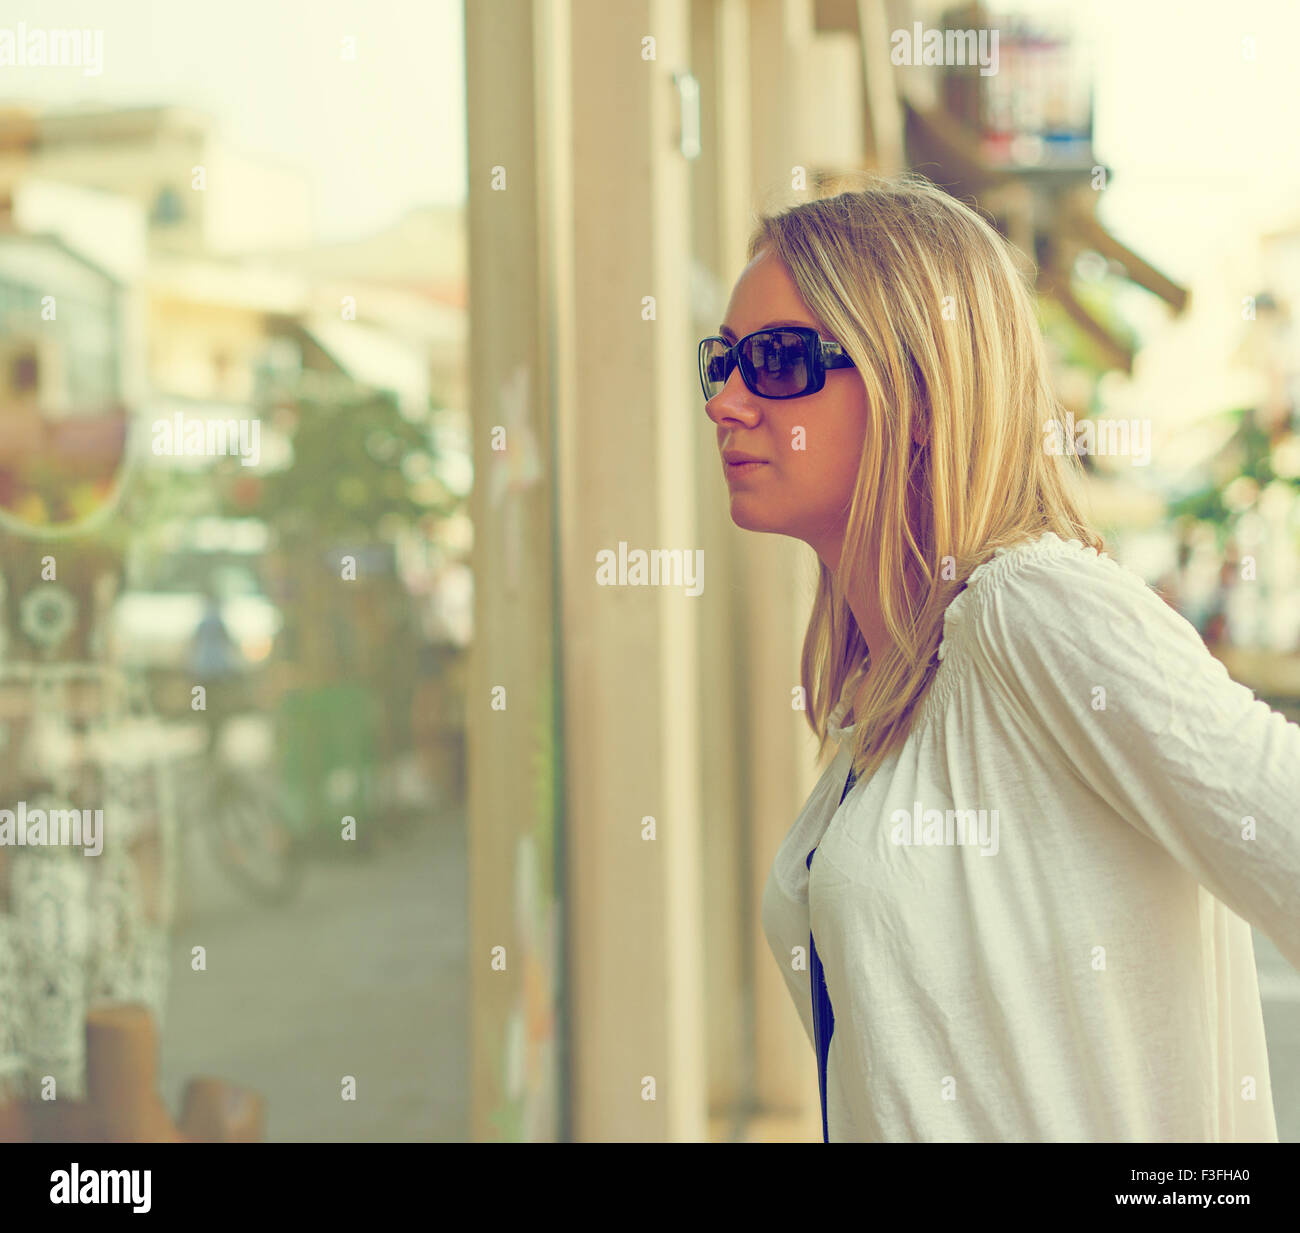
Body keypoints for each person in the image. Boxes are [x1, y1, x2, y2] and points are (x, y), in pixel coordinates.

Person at [698, 172, 1300, 1142]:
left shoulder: (1035, 609)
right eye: (721, 361)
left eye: (774, 360)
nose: (726, 402)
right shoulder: (889, 683)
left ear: (919, 390)